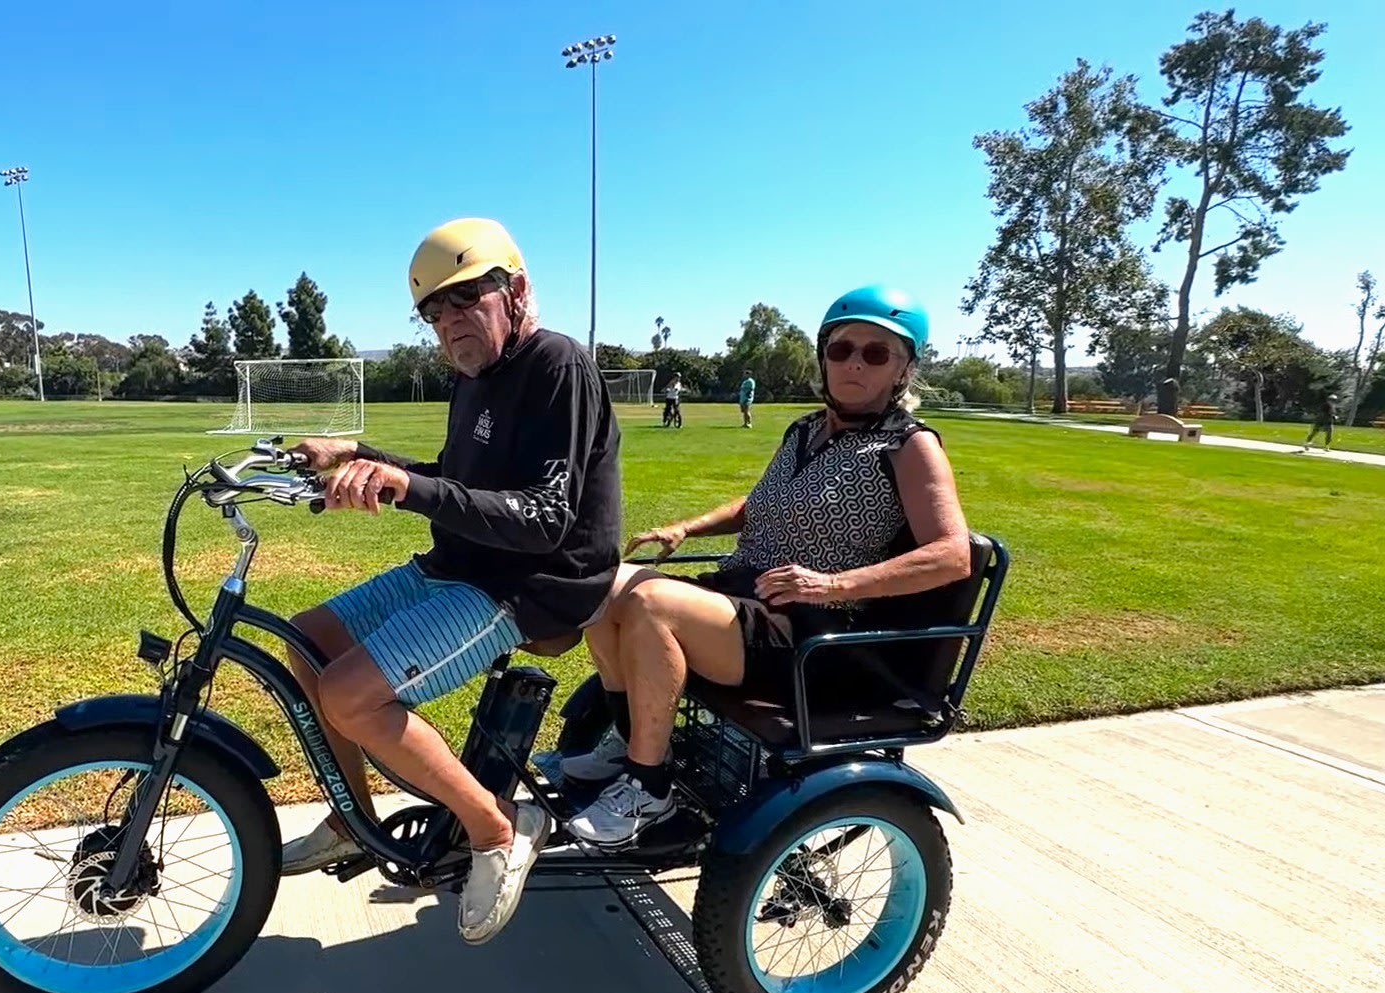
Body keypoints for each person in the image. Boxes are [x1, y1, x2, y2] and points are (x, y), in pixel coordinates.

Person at [278, 217, 623, 944]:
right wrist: (356, 453)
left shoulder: (558, 364)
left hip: (533, 582)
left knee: (348, 694)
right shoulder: (474, 378)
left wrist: (404, 485)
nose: (448, 322)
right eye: (434, 311)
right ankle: (352, 816)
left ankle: (498, 827)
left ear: (517, 289)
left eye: (466, 299)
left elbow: (545, 518)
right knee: (304, 642)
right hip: (463, 562)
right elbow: (456, 480)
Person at [560, 284, 975, 846]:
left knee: (651, 604)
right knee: (601, 587)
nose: (854, 362)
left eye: (876, 353)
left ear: (903, 369)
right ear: (823, 355)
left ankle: (648, 786)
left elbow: (952, 554)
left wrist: (829, 585)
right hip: (746, 601)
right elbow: (756, 506)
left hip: (813, 635)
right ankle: (633, 739)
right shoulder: (804, 430)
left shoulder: (908, 445)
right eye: (841, 348)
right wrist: (688, 527)